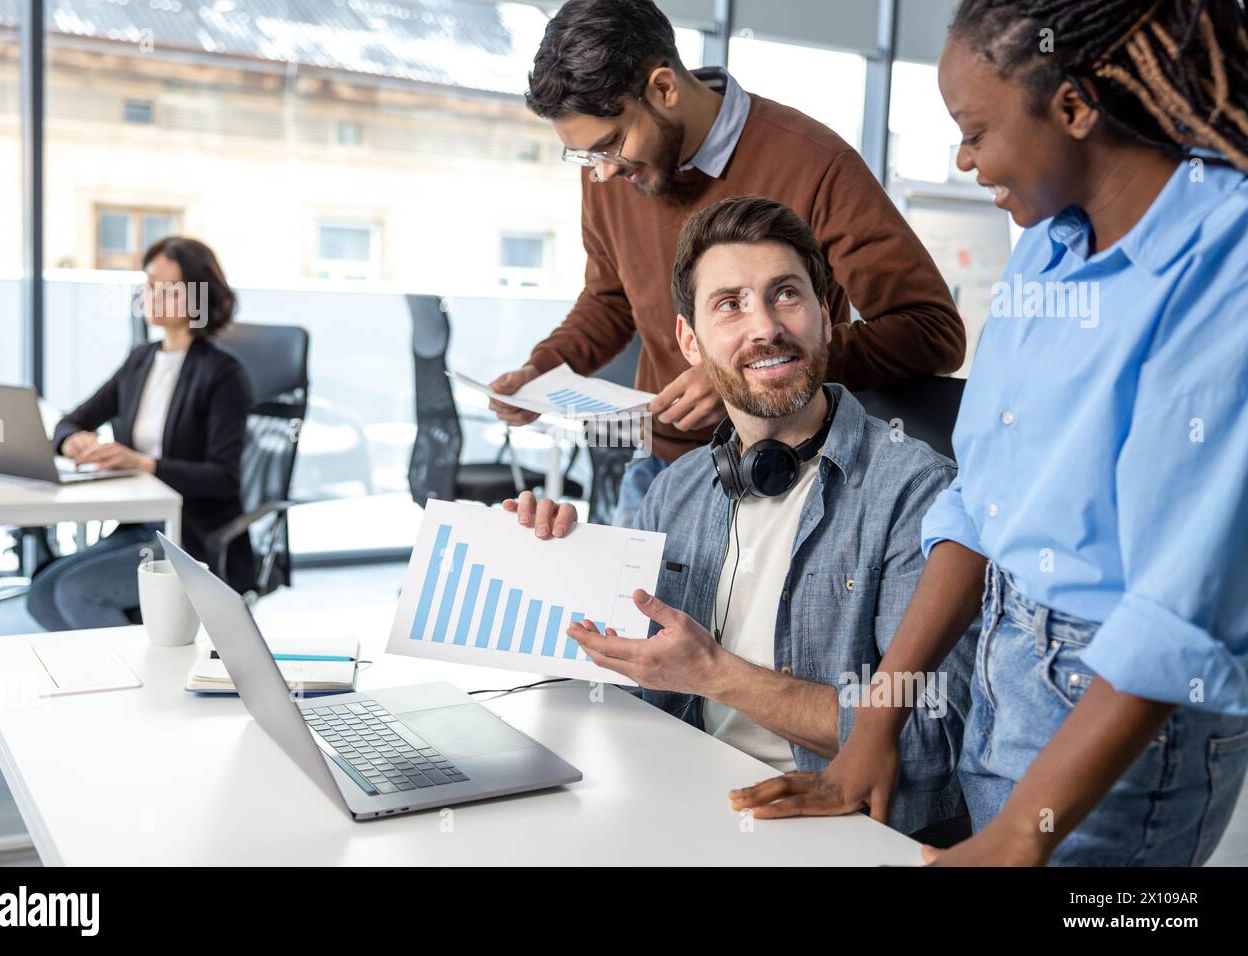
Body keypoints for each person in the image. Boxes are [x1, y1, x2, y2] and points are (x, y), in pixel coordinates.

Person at [731, 0, 1248, 866]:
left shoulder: (1225, 267)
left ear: (1076, 109)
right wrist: (873, 727)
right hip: (1006, 663)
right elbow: (982, 503)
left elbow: (1176, 617)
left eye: (974, 130)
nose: (965, 160)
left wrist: (1015, 840)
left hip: (1120, 714)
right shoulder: (1051, 240)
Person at [504, 196, 977, 839]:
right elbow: (632, 695)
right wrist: (558, 568)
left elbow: (927, 738)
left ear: (826, 318)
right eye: (729, 304)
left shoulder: (916, 493)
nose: (764, 327)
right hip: (683, 804)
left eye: (785, 295)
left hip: (844, 829)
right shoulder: (676, 492)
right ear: (689, 342)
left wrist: (717, 676)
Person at [488, 0, 965, 526]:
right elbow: (609, 299)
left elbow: (932, 330)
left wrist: (744, 376)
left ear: (663, 89)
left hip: (787, 472)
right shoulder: (613, 174)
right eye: (586, 157)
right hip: (660, 470)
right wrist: (541, 368)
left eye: (609, 146)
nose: (601, 173)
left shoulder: (814, 162)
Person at [27, 237, 255, 630]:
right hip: (140, 528)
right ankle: (109, 676)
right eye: (148, 286)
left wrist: (143, 463)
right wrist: (71, 439)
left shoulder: (223, 374)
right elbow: (71, 420)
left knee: (76, 592)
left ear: (198, 295)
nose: (150, 296)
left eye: (164, 287)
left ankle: (134, 678)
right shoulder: (141, 360)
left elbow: (224, 477)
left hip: (191, 539)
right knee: (42, 593)